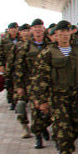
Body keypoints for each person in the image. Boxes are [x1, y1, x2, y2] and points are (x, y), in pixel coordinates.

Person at [32, 20, 78, 154]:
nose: (65, 35)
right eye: (61, 32)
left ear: (71, 33)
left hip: (76, 95)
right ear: (55, 35)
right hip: (58, 97)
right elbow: (40, 78)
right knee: (63, 127)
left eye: (67, 32)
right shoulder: (48, 53)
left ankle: (62, 144)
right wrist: (42, 100)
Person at [13, 19, 52, 147]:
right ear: (32, 30)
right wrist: (19, 86)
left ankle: (44, 126)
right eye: (35, 27)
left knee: (50, 110)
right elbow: (19, 67)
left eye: (40, 27)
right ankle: (38, 137)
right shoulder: (25, 47)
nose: (38, 30)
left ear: (44, 29)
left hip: (49, 84)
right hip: (32, 84)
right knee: (36, 110)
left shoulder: (51, 45)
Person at [0, 22, 20, 109]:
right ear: (8, 30)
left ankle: (17, 102)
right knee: (9, 84)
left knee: (18, 84)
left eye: (15, 28)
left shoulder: (21, 39)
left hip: (19, 66)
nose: (13, 30)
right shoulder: (4, 40)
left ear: (17, 29)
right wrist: (0, 65)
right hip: (8, 67)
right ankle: (12, 101)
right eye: (11, 28)